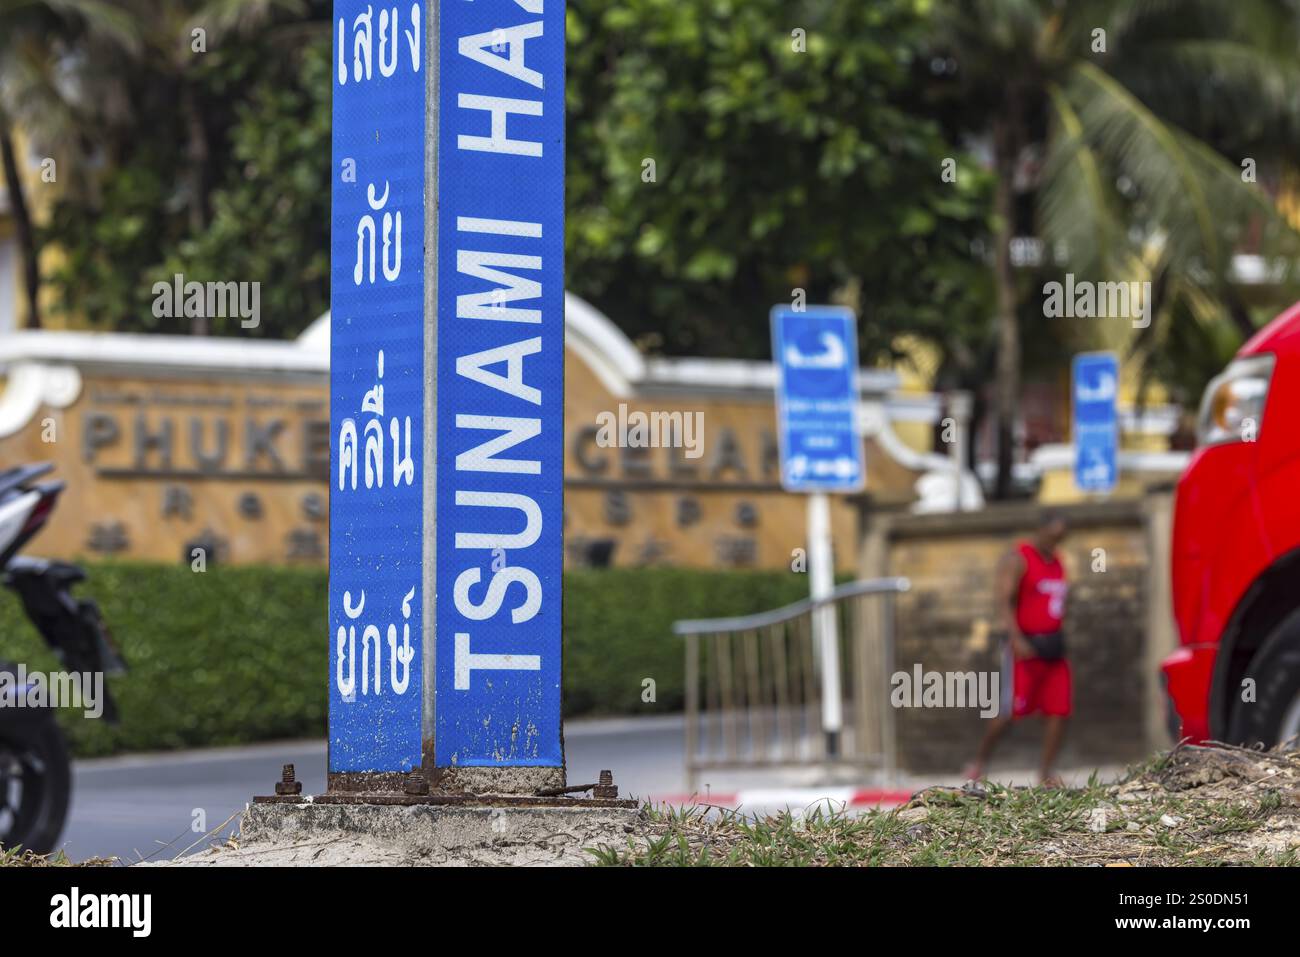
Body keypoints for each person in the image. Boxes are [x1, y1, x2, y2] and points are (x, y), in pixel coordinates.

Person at [964, 511, 1071, 786]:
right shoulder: (1018, 558)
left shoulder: (1058, 563)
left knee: (1058, 710)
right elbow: (1003, 601)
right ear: (1041, 529)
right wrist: (1016, 638)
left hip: (1053, 647)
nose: (1056, 541)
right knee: (1009, 712)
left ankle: (1045, 772)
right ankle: (979, 763)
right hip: (1025, 646)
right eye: (1053, 535)